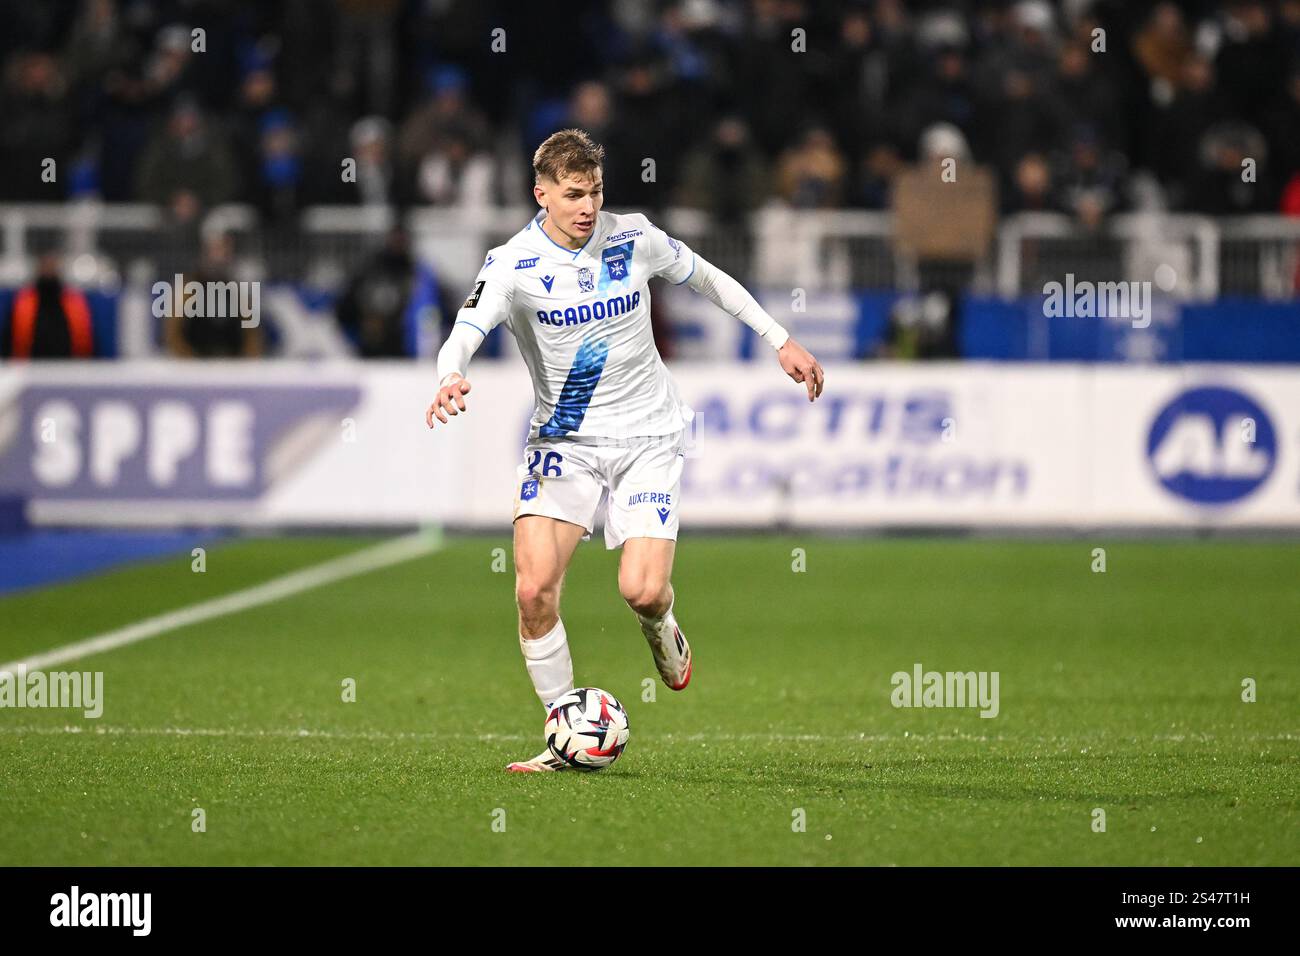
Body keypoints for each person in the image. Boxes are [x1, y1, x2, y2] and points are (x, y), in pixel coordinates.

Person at [426, 129, 825, 772]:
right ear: (542, 195)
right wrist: (450, 374)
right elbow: (467, 327)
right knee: (532, 591)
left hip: (649, 437)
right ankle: (564, 730)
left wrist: (781, 339)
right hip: (565, 444)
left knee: (641, 590)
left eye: (596, 192)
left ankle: (661, 626)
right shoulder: (512, 264)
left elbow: (709, 280)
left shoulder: (633, 236)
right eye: (574, 194)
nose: (588, 206)